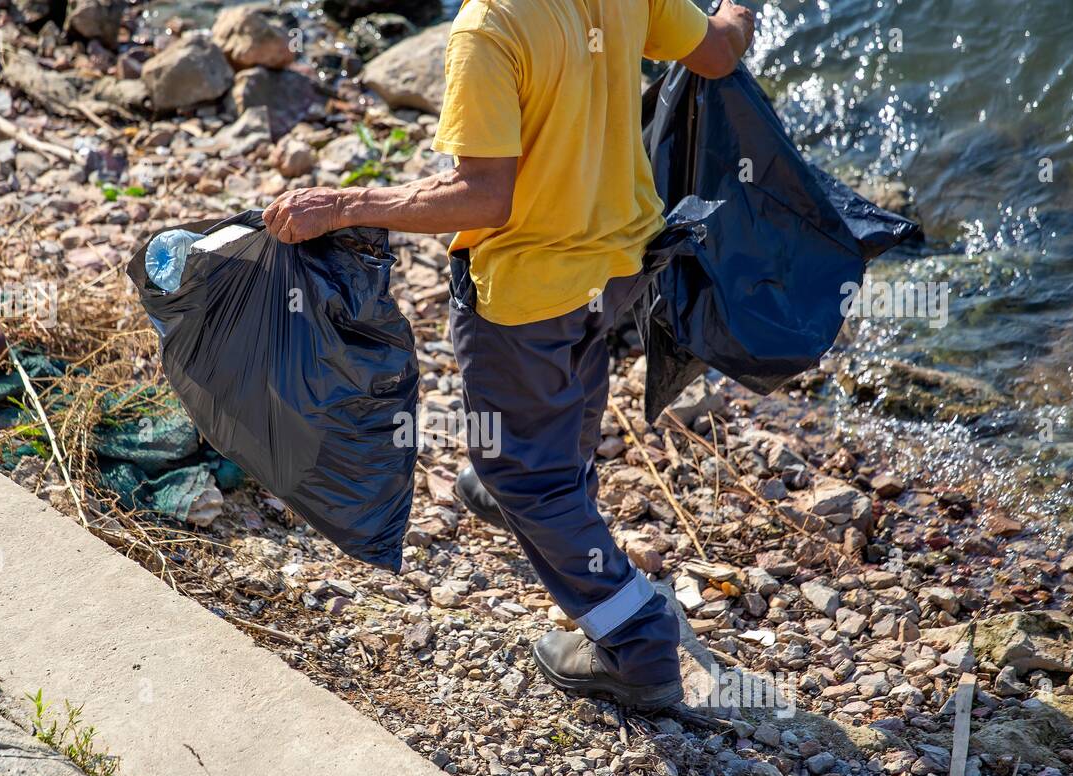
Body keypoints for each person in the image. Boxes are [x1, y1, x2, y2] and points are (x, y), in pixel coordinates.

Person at [263, 0, 756, 710]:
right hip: (620, 260)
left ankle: (637, 646)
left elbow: (483, 199)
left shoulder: (489, 27)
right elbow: (717, 52)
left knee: (525, 474)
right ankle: (535, 484)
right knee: (570, 382)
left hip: (530, 292)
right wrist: (736, 17)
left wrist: (343, 205)